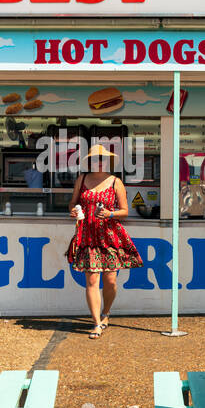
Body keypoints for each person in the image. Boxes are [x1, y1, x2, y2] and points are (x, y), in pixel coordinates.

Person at [66, 144, 142, 339]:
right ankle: (96, 323)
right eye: (95, 159)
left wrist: (110, 213)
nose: (99, 162)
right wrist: (73, 210)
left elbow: (125, 211)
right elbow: (72, 203)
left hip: (109, 236)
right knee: (92, 280)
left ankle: (106, 312)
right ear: (89, 162)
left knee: (110, 281)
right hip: (87, 235)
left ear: (107, 161)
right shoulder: (82, 179)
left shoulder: (116, 182)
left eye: (102, 159)